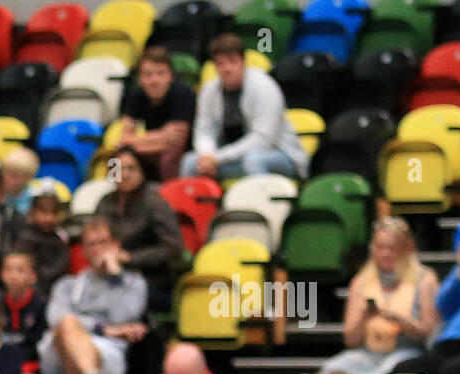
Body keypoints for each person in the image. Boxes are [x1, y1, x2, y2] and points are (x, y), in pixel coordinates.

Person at [39, 217, 150, 374]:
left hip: (107, 354)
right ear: (84, 249)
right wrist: (104, 328)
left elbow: (125, 317)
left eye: (103, 242)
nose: (98, 248)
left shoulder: (134, 283)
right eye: (91, 243)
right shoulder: (67, 285)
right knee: (68, 325)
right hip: (57, 353)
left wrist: (116, 274)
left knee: (75, 360)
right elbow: (55, 318)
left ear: (116, 245)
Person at [321, 217, 440, 374]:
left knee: (392, 373)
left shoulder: (425, 280)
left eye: (393, 248)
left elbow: (431, 336)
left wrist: (402, 321)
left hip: (406, 353)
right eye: (380, 248)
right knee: (332, 370)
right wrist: (364, 318)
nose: (386, 254)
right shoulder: (361, 282)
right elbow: (350, 340)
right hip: (366, 354)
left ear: (408, 248)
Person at [180, 34, 308, 181]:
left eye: (232, 62)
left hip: (279, 155)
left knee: (254, 160)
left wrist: (218, 157)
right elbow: (204, 130)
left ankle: (262, 203)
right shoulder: (209, 90)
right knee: (190, 162)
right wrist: (206, 156)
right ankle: (198, 204)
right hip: (231, 157)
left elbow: (262, 140)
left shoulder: (264, 87)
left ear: (243, 62)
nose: (226, 68)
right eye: (220, 63)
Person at [94, 146, 185, 311]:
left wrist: (129, 257)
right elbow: (93, 237)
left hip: (151, 280)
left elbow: (173, 249)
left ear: (142, 171)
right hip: (109, 273)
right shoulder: (105, 203)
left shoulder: (154, 203)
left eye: (131, 168)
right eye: (119, 168)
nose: (125, 174)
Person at [389, 231, 460, 374]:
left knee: (450, 373)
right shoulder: (459, 272)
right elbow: (443, 305)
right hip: (449, 345)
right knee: (402, 370)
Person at [118, 47, 196, 182]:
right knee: (117, 158)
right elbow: (124, 138)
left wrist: (135, 142)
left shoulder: (183, 93)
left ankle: (169, 199)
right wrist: (160, 136)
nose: (154, 80)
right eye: (148, 74)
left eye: (160, 73)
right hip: (150, 151)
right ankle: (116, 198)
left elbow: (176, 142)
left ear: (170, 76)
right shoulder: (137, 95)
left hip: (184, 154)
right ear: (140, 78)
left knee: (169, 157)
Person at [9, 184, 70, 291]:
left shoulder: (60, 239)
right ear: (32, 212)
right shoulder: (25, 237)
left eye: (54, 212)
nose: (49, 218)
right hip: (27, 287)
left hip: (53, 287)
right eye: (44, 212)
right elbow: (20, 264)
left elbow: (60, 266)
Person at [0, 250, 46, 364]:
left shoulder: (41, 306)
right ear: (1, 275)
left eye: (20, 270)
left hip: (33, 365)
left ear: (33, 276)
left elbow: (40, 344)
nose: (13, 276)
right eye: (8, 270)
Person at [0, 146, 40, 218]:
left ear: (29, 178)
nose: (7, 179)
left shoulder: (34, 202)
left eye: (14, 176)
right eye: (6, 172)